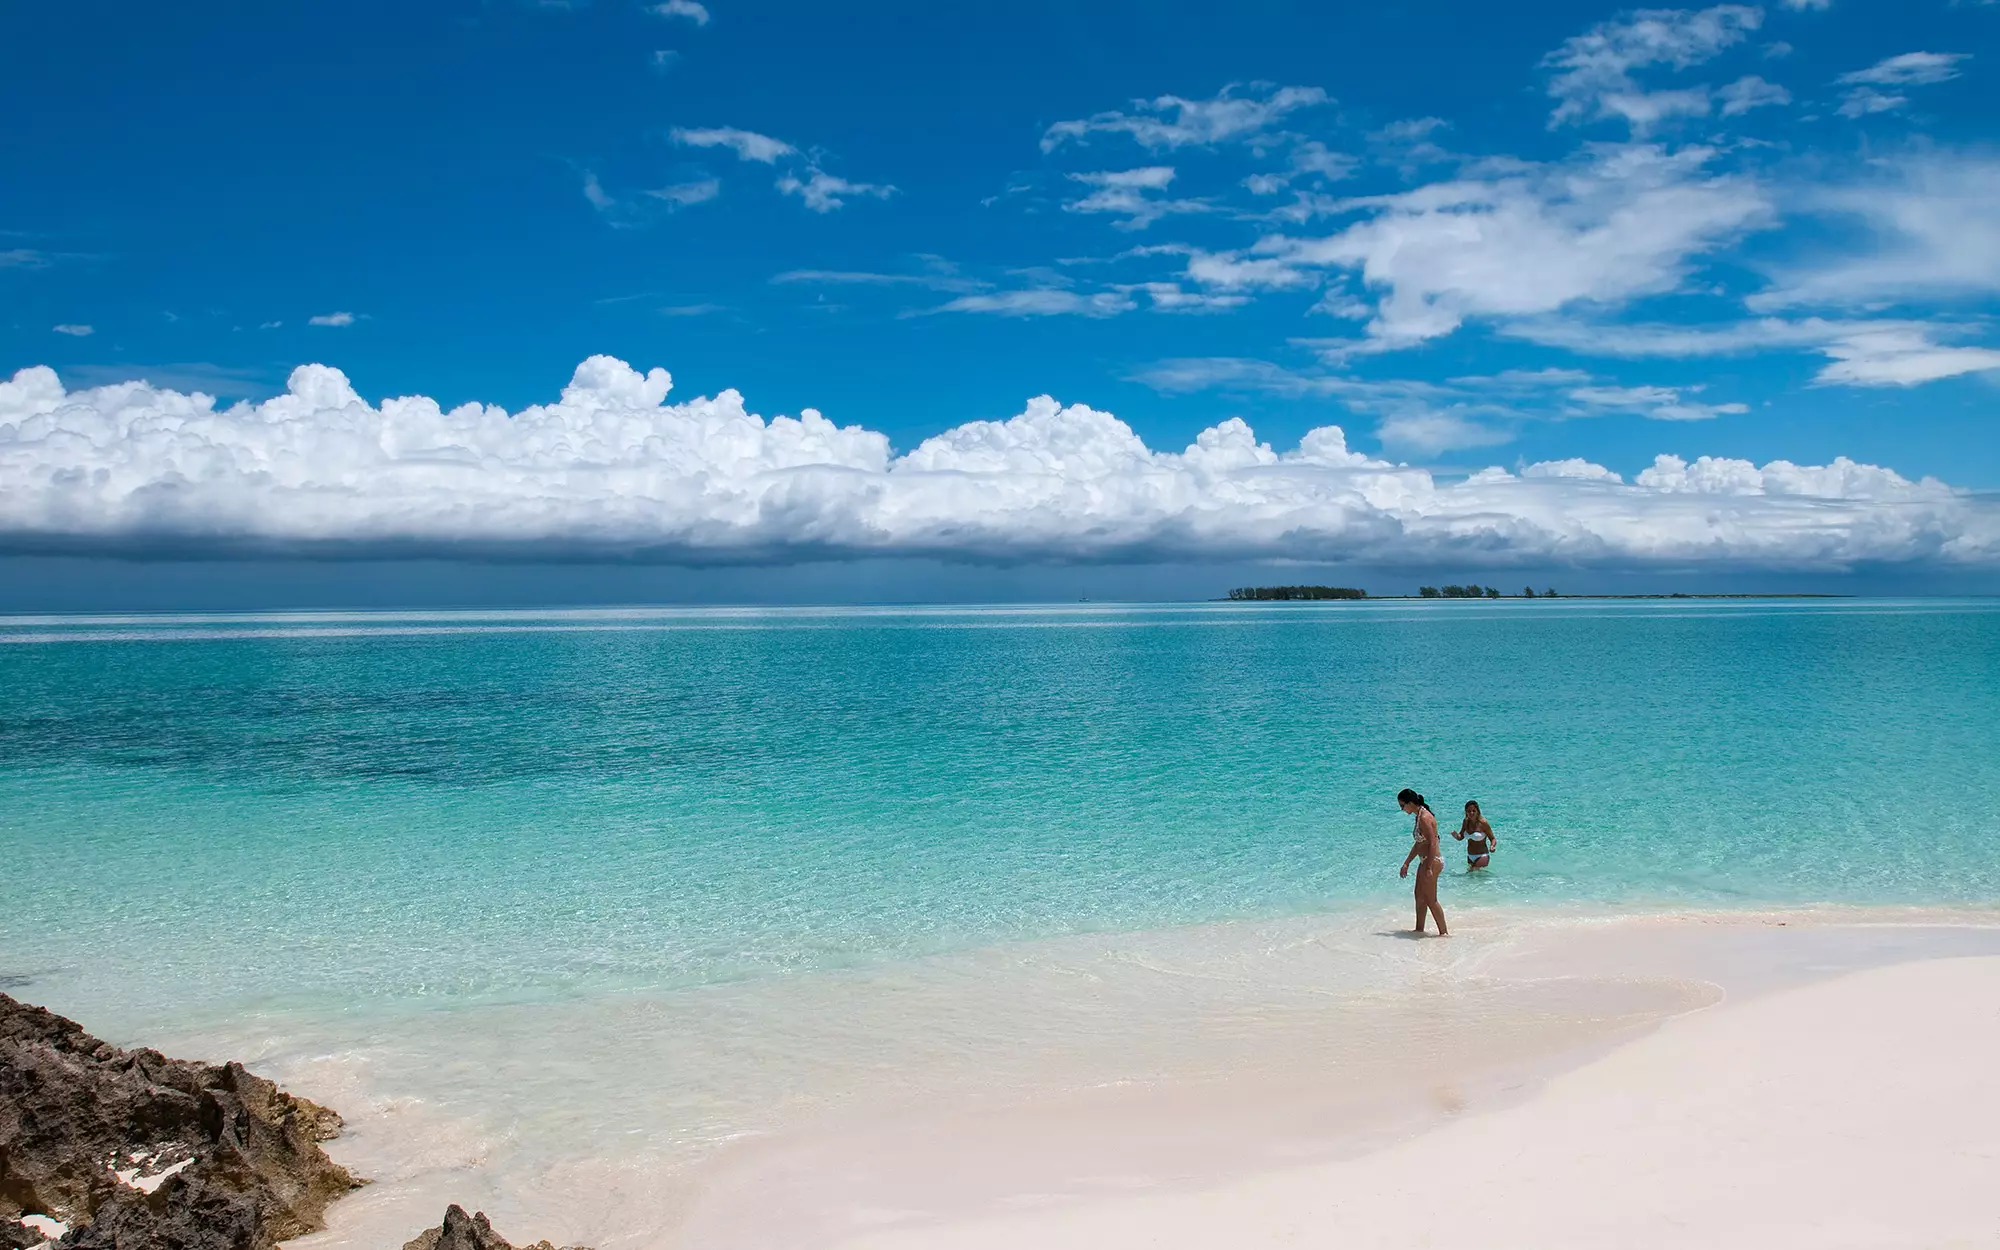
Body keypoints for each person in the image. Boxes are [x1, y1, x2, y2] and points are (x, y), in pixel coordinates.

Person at [1397, 788, 1448, 935]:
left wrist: (1429, 867)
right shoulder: (1418, 816)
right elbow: (1419, 844)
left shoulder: (1425, 817)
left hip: (1432, 861)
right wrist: (1407, 862)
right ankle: (1419, 930)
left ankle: (1444, 933)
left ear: (1411, 803)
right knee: (1419, 896)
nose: (1402, 809)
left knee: (1431, 899)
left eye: (1402, 806)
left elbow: (1433, 843)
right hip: (1424, 860)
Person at [1454, 799, 1496, 869]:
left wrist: (1492, 846)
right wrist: (1455, 835)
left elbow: (1492, 838)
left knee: (1471, 874)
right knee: (1473, 878)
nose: (1471, 813)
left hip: (1482, 855)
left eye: (1474, 811)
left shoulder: (1483, 823)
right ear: (1466, 812)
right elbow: (1461, 836)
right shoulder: (1466, 821)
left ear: (1477, 811)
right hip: (1470, 856)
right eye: (1469, 811)